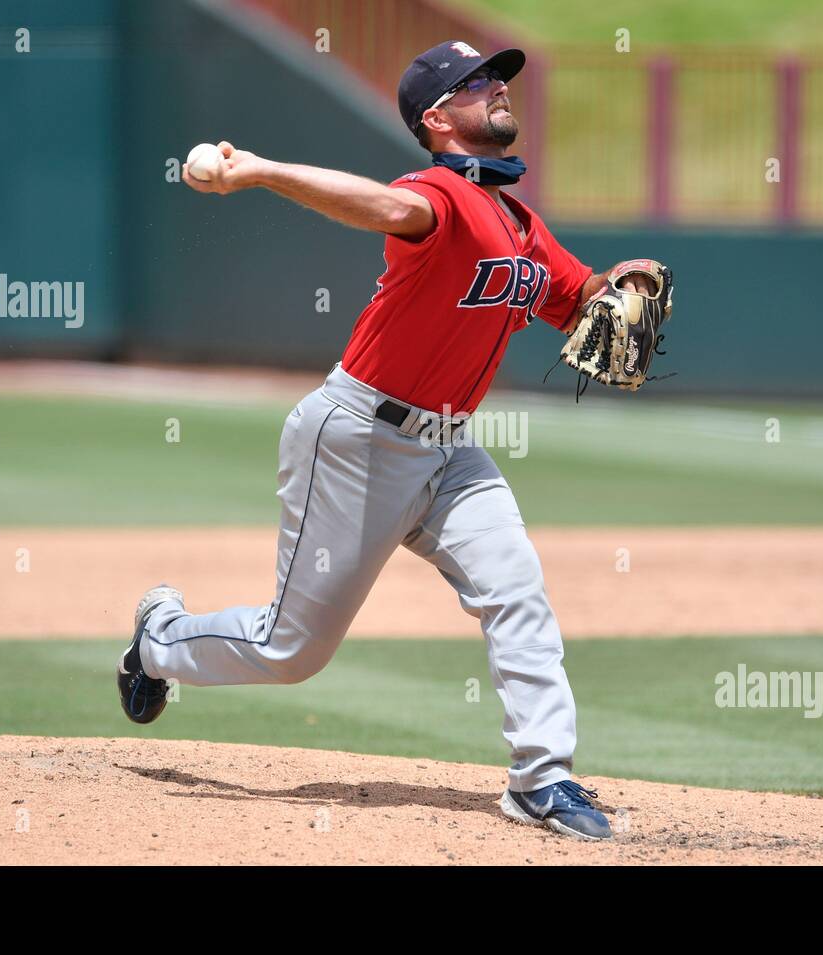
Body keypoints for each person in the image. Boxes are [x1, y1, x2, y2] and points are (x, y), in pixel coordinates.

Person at [118, 40, 659, 841]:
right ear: (438, 117)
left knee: (518, 591)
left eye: (499, 80)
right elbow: (379, 205)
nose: (498, 91)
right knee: (292, 649)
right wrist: (261, 170)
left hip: (449, 453)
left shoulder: (517, 220)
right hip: (357, 440)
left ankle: (542, 777)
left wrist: (623, 283)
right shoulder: (434, 194)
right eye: (478, 84)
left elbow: (578, 297)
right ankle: (159, 637)